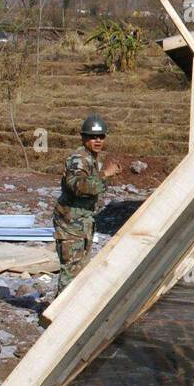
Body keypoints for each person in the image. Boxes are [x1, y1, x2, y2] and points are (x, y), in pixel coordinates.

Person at [53, 114, 119, 294]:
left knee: (80, 270)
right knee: (71, 272)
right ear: (83, 138)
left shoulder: (90, 158)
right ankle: (60, 316)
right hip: (70, 224)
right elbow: (78, 186)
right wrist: (105, 174)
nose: (97, 141)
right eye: (92, 137)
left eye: (101, 137)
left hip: (81, 222)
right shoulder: (79, 160)